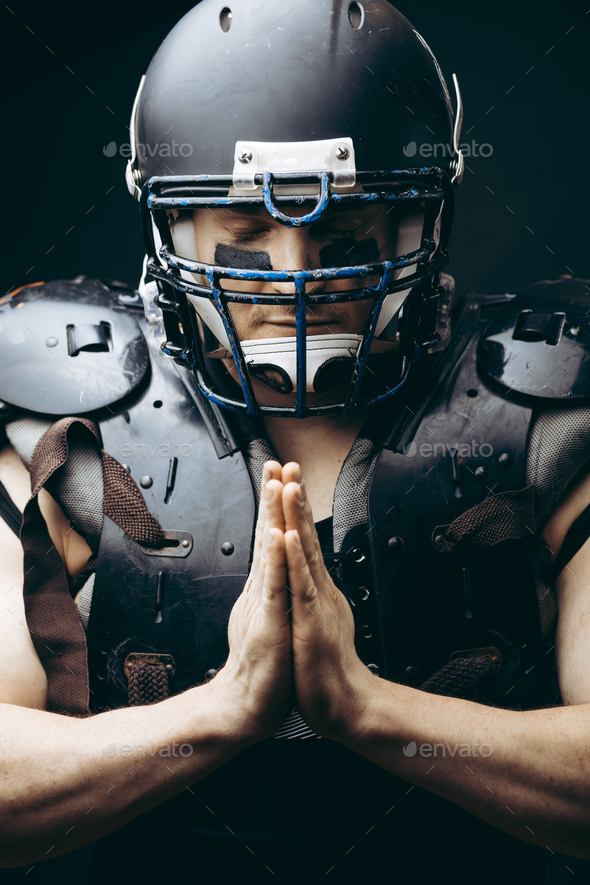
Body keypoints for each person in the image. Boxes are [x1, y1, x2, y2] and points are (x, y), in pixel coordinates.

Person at [0, 1, 589, 882]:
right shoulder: (69, 428)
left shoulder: (545, 416)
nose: (297, 279)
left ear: (420, 224)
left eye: (345, 237)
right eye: (243, 241)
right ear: (171, 229)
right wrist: (223, 712)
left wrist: (366, 709)